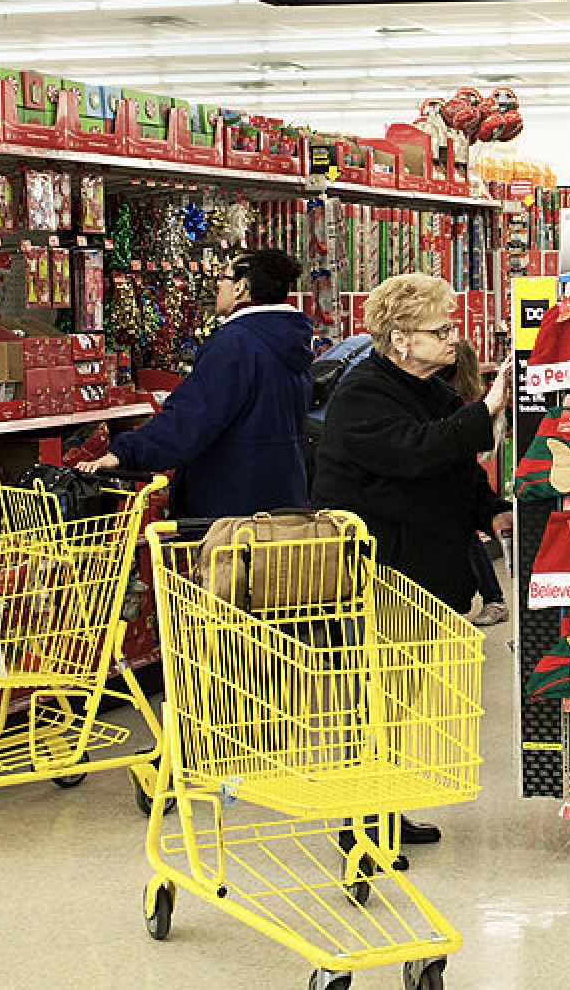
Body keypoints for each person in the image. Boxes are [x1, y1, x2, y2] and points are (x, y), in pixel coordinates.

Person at [313, 274, 512, 850]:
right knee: (375, 696)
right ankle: (360, 822)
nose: (454, 339)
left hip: (426, 567)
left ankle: (386, 809)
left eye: (451, 327)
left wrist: (491, 510)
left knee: (401, 698)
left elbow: (456, 465)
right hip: (380, 570)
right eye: (440, 330)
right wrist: (489, 407)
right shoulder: (364, 394)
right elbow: (418, 452)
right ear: (400, 337)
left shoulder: (429, 387)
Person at [88, 248, 311, 518]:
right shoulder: (289, 341)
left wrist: (126, 452)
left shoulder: (236, 343)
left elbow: (192, 418)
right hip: (283, 499)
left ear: (241, 287)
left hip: (232, 507)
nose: (218, 286)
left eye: (223, 279)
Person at [446, 338, 509, 628]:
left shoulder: (450, 399)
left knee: (466, 535)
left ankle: (495, 599)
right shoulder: (471, 394)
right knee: (468, 535)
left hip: (456, 479)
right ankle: (494, 598)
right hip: (465, 476)